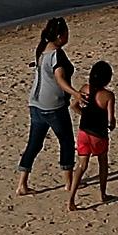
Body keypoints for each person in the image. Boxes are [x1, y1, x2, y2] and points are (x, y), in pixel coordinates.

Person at [16, 17, 75, 196]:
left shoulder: (41, 48)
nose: (68, 36)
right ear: (59, 35)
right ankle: (68, 182)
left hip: (35, 103)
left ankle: (22, 183)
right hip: (53, 105)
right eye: (66, 33)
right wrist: (75, 93)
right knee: (66, 141)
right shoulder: (56, 54)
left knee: (34, 144)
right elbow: (59, 79)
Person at [68, 59, 118, 209]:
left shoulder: (85, 88)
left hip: (84, 131)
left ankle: (71, 199)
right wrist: (111, 125)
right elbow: (111, 119)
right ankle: (103, 194)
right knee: (103, 163)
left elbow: (74, 106)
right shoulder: (108, 95)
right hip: (98, 134)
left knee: (81, 166)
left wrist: (84, 114)